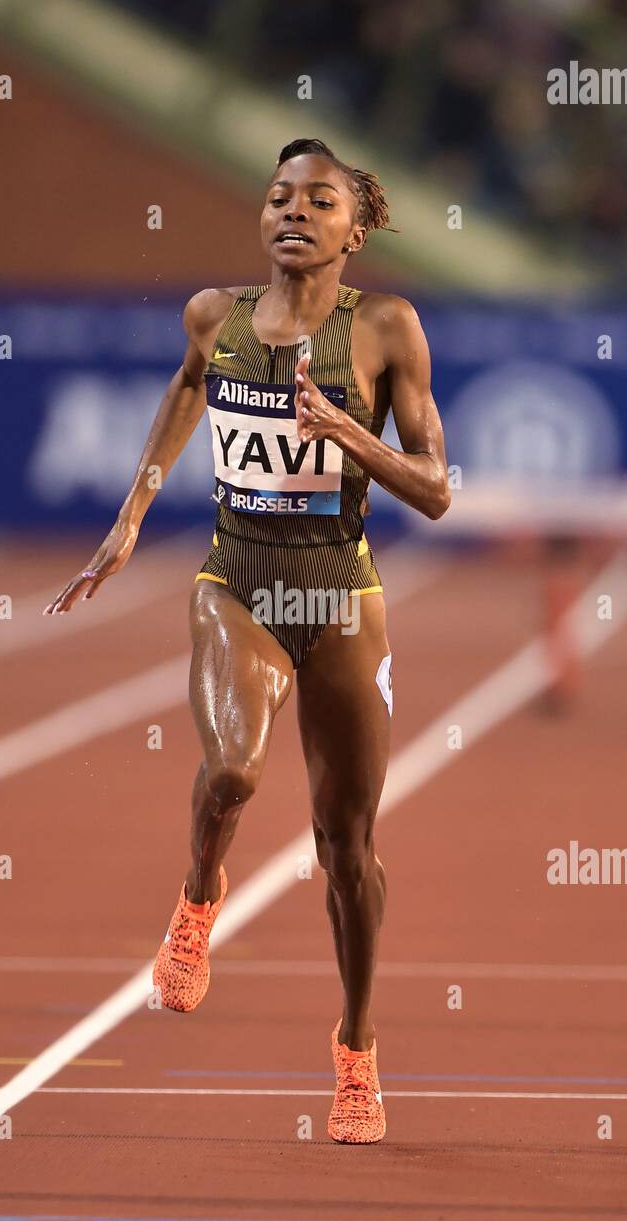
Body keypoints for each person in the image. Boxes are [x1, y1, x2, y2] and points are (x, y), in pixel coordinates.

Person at [45, 138, 450, 1143]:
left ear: (357, 229)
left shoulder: (388, 326)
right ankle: (197, 898)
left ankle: (355, 1055)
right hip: (238, 583)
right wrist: (134, 513)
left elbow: (437, 489)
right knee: (231, 767)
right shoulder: (212, 316)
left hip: (342, 596)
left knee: (346, 848)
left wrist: (349, 434)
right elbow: (187, 386)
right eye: (278, 197)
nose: (293, 212)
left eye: (319, 201)